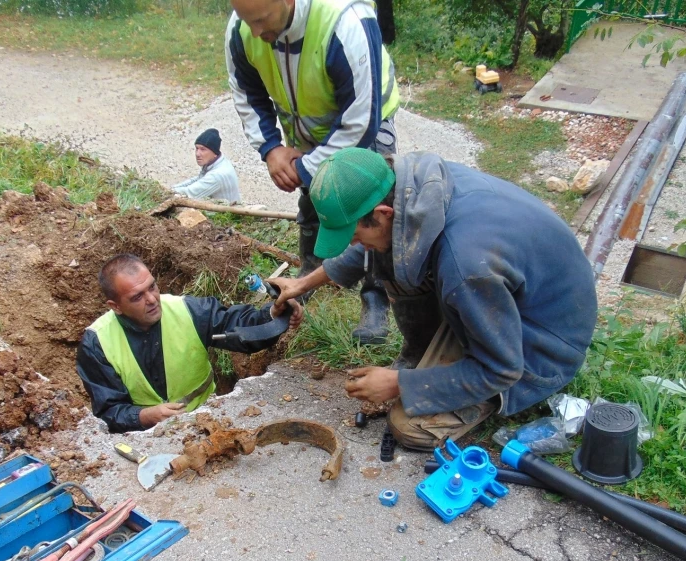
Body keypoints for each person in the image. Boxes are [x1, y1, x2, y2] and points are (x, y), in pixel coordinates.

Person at [271, 148, 599, 450]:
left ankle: (437, 374)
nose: (356, 245)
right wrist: (302, 283)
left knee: (408, 428)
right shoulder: (415, 191)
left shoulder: (465, 267)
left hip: (539, 346)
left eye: (355, 236)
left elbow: (502, 369)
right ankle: (423, 358)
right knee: (390, 253)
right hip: (507, 298)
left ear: (383, 213)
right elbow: (371, 244)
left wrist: (400, 385)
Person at [226, 0, 399, 345]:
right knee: (312, 210)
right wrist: (272, 149)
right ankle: (307, 277)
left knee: (371, 218)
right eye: (249, 22)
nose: (256, 33)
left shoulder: (346, 21)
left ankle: (376, 297)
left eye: (261, 21)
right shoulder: (243, 24)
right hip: (305, 136)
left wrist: (304, 167)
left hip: (365, 130)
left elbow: (360, 120)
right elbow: (247, 93)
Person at [77, 253, 302, 433]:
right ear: (115, 306)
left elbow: (237, 325)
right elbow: (108, 411)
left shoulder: (187, 310)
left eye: (152, 287)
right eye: (137, 297)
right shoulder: (97, 343)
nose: (152, 299)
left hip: (207, 418)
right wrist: (143, 416)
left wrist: (272, 314)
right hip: (143, 437)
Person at [172, 128, 242, 204]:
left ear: (214, 152)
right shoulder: (218, 161)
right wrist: (173, 188)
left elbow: (190, 194)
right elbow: (198, 179)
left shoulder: (217, 175)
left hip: (227, 213)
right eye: (197, 148)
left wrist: (168, 192)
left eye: (203, 149)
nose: (197, 154)